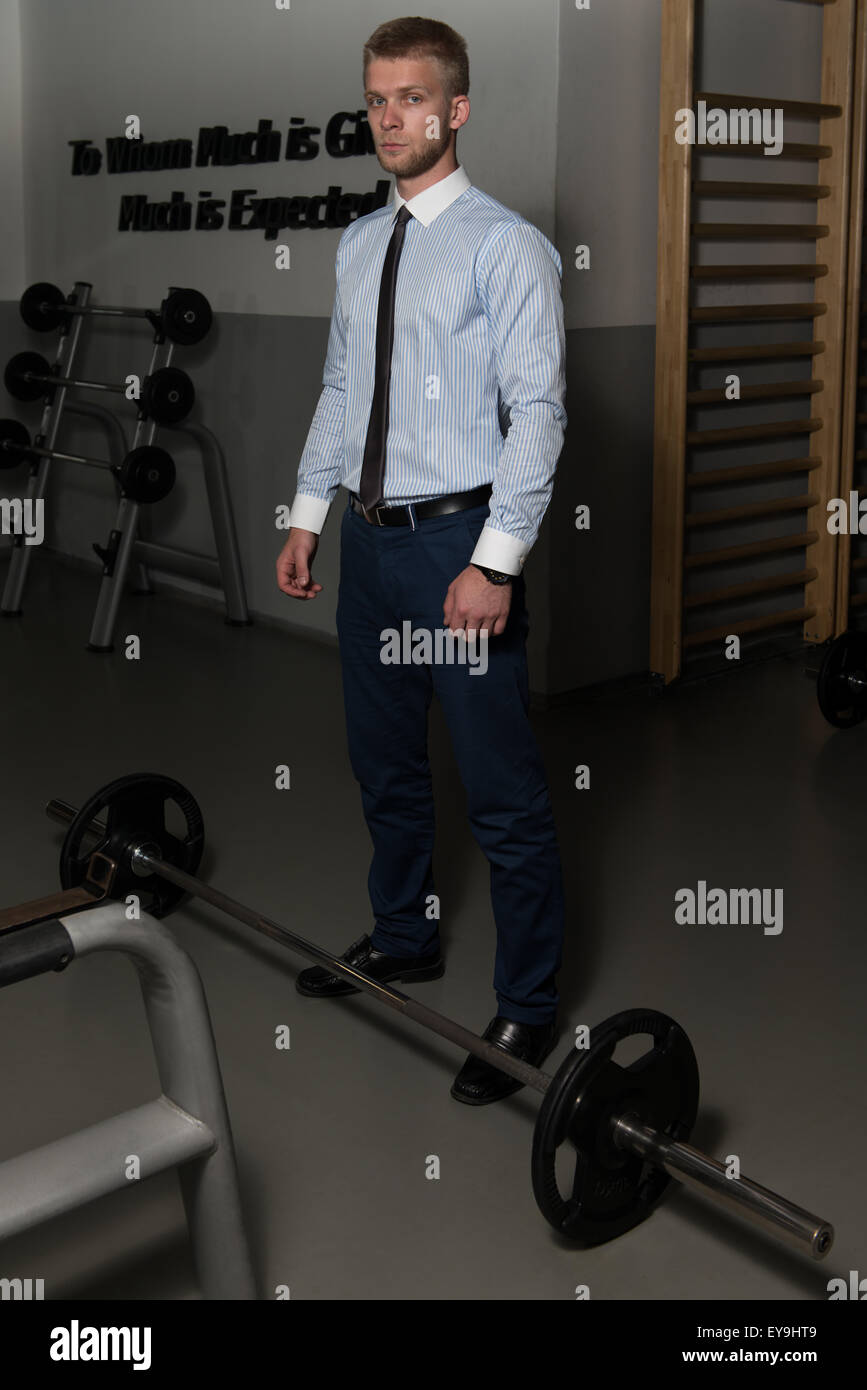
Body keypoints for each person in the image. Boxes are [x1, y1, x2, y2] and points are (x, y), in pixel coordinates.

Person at [276, 16, 567, 1105]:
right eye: (376, 100)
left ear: (457, 108)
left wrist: (494, 563)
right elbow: (344, 390)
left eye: (411, 97)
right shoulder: (359, 241)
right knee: (386, 763)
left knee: (502, 796)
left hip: (461, 544)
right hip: (372, 542)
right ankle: (405, 935)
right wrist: (309, 514)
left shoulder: (506, 245)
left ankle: (529, 1007)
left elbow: (538, 411)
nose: (390, 118)